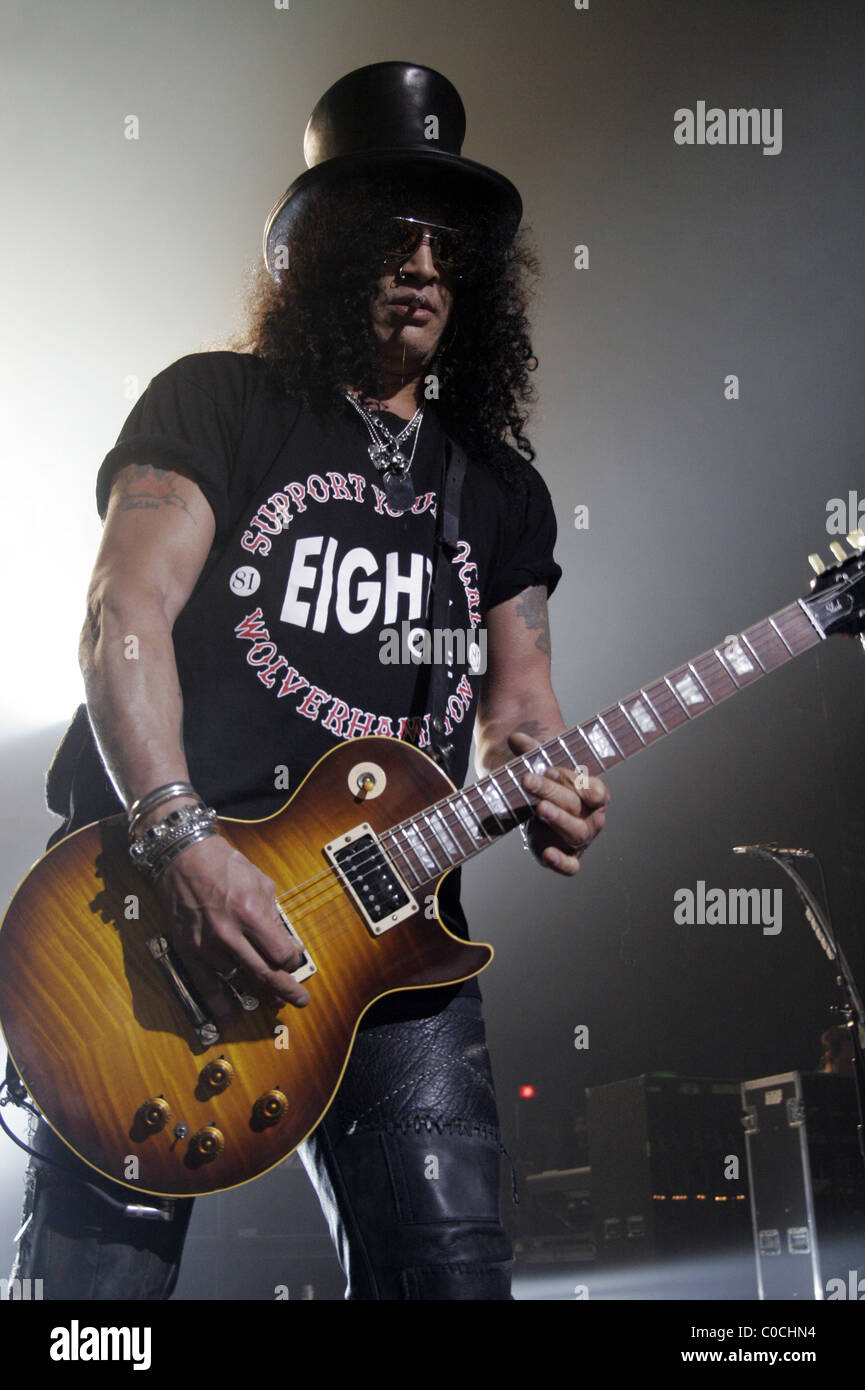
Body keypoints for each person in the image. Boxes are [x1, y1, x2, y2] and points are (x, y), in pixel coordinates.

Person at [8, 61, 609, 1301]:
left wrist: (551, 779)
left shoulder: (494, 485)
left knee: (449, 1277)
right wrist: (180, 838)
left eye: (447, 241)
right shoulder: (215, 403)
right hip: (146, 921)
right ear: (321, 250)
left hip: (390, 945)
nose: (425, 263)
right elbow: (123, 612)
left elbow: (520, 708)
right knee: (92, 1305)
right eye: (390, 233)